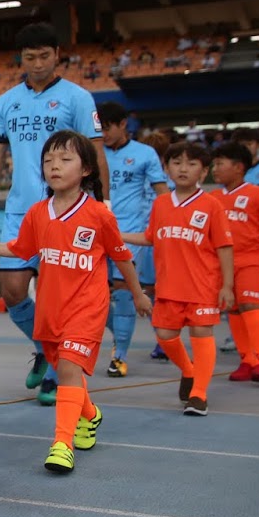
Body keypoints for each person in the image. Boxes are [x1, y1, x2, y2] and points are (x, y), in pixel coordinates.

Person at [0, 131, 148, 472]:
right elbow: (19, 250)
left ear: (86, 170)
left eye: (65, 159)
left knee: (67, 368)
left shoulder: (99, 215)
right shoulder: (37, 212)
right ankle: (90, 415)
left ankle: (62, 445)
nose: (55, 165)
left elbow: (122, 257)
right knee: (69, 373)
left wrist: (137, 293)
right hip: (51, 310)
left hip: (87, 308)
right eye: (49, 160)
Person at [0, 22, 107, 406]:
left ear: (57, 55)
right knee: (13, 290)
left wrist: (102, 203)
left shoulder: (78, 98)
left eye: (44, 55)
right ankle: (46, 349)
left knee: (61, 298)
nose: (36, 63)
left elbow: (96, 153)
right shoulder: (6, 102)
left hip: (68, 211)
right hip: (21, 209)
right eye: (29, 57)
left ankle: (57, 371)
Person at [119, 141, 233, 414]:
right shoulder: (160, 204)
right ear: (167, 168)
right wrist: (117, 235)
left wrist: (227, 285)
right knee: (166, 336)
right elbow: (150, 238)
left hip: (203, 285)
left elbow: (224, 247)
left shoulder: (211, 205)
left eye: (192, 164)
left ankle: (199, 394)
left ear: (203, 172)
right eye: (177, 163)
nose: (184, 169)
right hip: (169, 287)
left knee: (201, 333)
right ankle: (189, 370)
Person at [98, 102, 167, 377]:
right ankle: (121, 334)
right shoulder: (92, 152)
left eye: (107, 128)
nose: (102, 134)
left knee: (123, 289)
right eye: (98, 129)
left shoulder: (145, 154)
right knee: (96, 297)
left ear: (123, 124)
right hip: (94, 231)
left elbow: (162, 193)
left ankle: (120, 355)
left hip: (130, 233)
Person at [212, 142, 259, 383]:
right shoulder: (212, 198)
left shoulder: (258, 194)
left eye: (219, 164)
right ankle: (246, 360)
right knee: (234, 309)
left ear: (238, 167)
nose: (214, 169)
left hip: (253, 259)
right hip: (224, 263)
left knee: (251, 306)